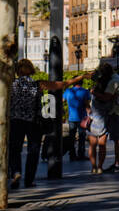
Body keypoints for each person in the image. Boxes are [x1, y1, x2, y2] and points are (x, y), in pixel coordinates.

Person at [7, 60, 84, 188]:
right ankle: (29, 180)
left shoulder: (12, 84)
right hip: (33, 122)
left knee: (15, 150)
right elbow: (61, 84)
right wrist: (80, 78)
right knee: (33, 151)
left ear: (17, 70)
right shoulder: (38, 84)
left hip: (16, 121)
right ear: (30, 69)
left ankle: (16, 172)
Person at [90, 61, 119, 174]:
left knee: (117, 139)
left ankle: (118, 164)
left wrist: (94, 92)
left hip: (116, 113)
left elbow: (106, 97)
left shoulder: (113, 82)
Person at [63, 78, 91, 161]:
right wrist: (90, 113)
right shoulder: (85, 91)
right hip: (82, 117)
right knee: (82, 137)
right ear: (81, 82)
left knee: (72, 137)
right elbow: (86, 104)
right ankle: (81, 154)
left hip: (71, 117)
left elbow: (63, 100)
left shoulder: (68, 91)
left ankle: (72, 154)